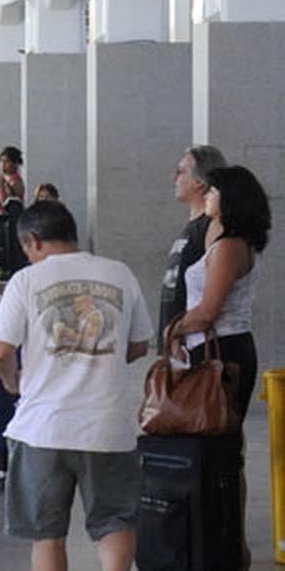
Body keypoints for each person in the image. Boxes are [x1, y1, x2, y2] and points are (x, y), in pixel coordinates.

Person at [0, 201, 153, 571]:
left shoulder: (26, 280)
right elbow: (141, 343)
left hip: (42, 429)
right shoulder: (120, 273)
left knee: (47, 534)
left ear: (33, 241)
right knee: (115, 523)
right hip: (108, 428)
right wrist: (100, 361)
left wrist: (12, 381)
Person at [164, 165, 269, 568]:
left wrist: (174, 329)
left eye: (214, 190)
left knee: (219, 449)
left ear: (230, 199)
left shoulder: (229, 247)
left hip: (220, 351)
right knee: (221, 450)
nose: (206, 194)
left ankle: (225, 543)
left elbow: (208, 311)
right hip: (219, 348)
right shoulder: (227, 241)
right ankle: (223, 540)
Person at [158, 146, 226, 354]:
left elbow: (214, 296)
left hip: (195, 347)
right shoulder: (194, 225)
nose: (174, 177)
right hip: (178, 342)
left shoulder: (212, 226)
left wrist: (180, 331)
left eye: (180, 171)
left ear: (199, 181)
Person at [0, 146, 26, 210]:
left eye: (7, 162)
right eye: (1, 161)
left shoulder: (16, 182)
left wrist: (1, 186)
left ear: (15, 164)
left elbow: (8, 205)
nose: (3, 165)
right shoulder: (3, 179)